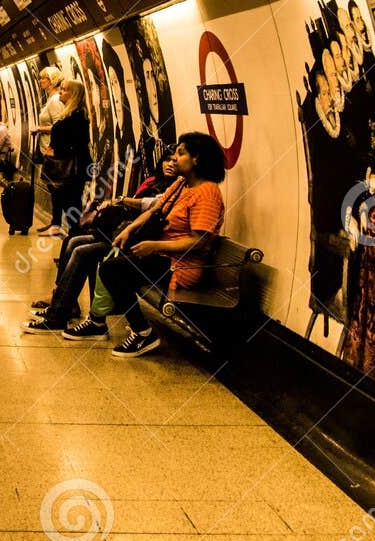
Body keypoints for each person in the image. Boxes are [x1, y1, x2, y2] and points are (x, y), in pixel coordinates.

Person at [64, 132, 227, 358]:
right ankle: (96, 320)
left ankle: (142, 332)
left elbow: (199, 241)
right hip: (160, 255)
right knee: (104, 256)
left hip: (179, 266)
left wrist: (154, 245)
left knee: (113, 268)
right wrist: (130, 230)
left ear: (196, 159)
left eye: (181, 153)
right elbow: (154, 210)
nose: (174, 159)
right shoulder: (182, 184)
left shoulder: (207, 193)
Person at [26, 151, 178, 333]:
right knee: (73, 241)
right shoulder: (155, 181)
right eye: (168, 159)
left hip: (139, 242)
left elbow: (152, 205)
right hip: (127, 234)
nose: (171, 164)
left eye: (176, 160)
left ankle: (65, 314)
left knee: (84, 251)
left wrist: (121, 201)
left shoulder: (179, 189)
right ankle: (63, 303)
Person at [39, 79, 90, 233]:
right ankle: (71, 245)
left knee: (72, 207)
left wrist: (54, 150)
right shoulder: (71, 114)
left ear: (74, 94)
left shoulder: (76, 117)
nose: (60, 92)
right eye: (61, 89)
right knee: (70, 207)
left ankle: (73, 244)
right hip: (69, 168)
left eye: (65, 90)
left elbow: (75, 143)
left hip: (70, 170)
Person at [33, 66, 66, 230]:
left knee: (55, 187)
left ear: (52, 80)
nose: (41, 81)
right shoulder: (51, 99)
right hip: (47, 148)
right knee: (52, 187)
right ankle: (55, 222)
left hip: (52, 150)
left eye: (43, 78)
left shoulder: (55, 101)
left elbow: (59, 126)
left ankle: (57, 223)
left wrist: (40, 129)